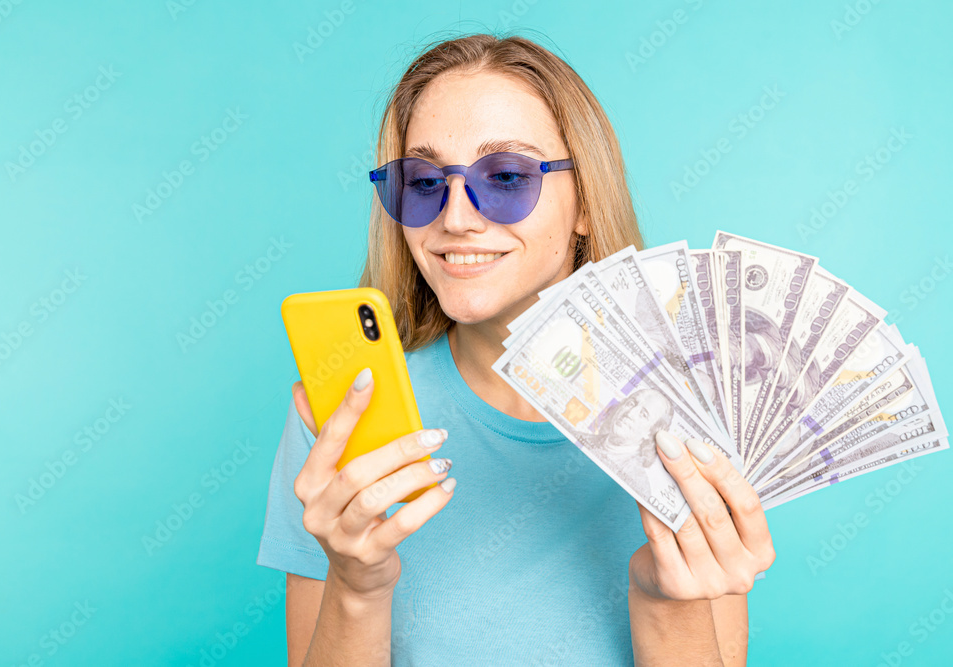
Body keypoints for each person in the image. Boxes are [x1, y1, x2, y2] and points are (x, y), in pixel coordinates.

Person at [257, 32, 775, 666]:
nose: (455, 219)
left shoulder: (697, 409)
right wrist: (356, 589)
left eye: (506, 176)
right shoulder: (341, 418)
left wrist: (667, 603)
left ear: (586, 203)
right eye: (424, 181)